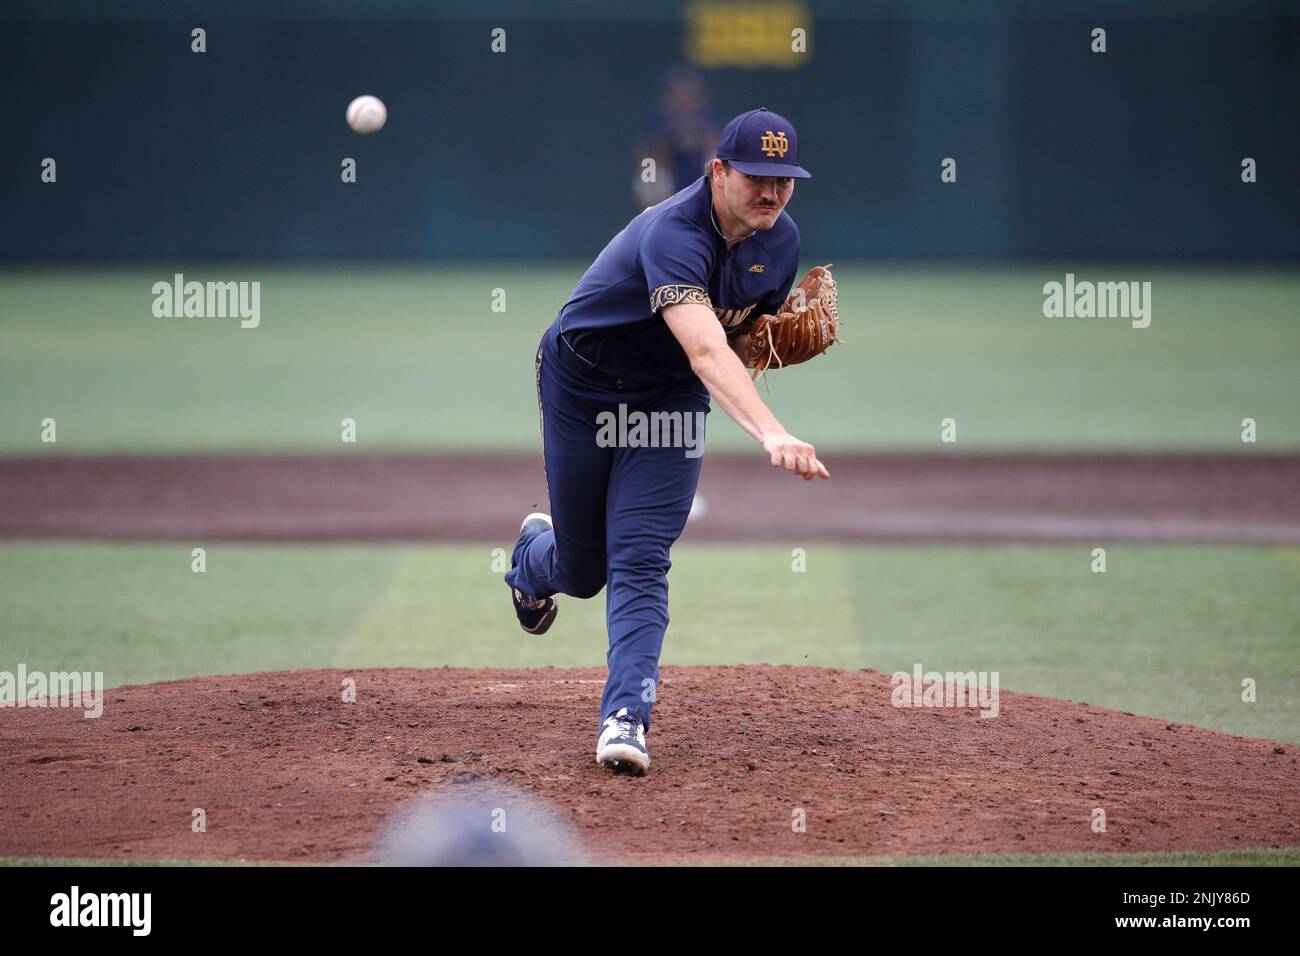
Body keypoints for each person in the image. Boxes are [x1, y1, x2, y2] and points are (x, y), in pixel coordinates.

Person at [506, 108, 829, 775]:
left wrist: (764, 344)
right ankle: (532, 561)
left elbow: (734, 344)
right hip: (583, 385)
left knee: (641, 555)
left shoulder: (782, 241)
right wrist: (769, 429)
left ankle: (626, 717)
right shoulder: (674, 233)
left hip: (668, 399)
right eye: (756, 177)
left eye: (784, 179)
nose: (771, 193)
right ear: (719, 172)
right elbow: (708, 348)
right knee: (582, 571)